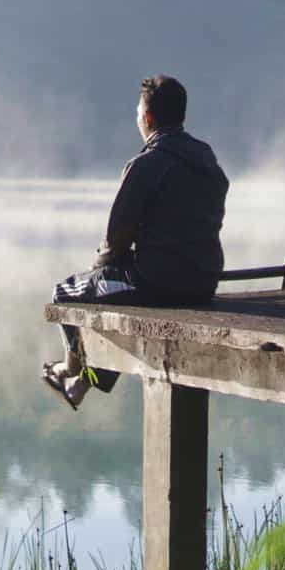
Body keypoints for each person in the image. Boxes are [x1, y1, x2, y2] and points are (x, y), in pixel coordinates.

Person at [42, 75, 228, 410]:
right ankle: (82, 384)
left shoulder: (146, 165)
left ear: (148, 119)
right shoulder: (207, 160)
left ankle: (69, 369)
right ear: (181, 116)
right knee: (108, 292)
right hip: (204, 281)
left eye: (138, 113)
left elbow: (115, 241)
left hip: (158, 283)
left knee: (66, 293)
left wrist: (99, 269)